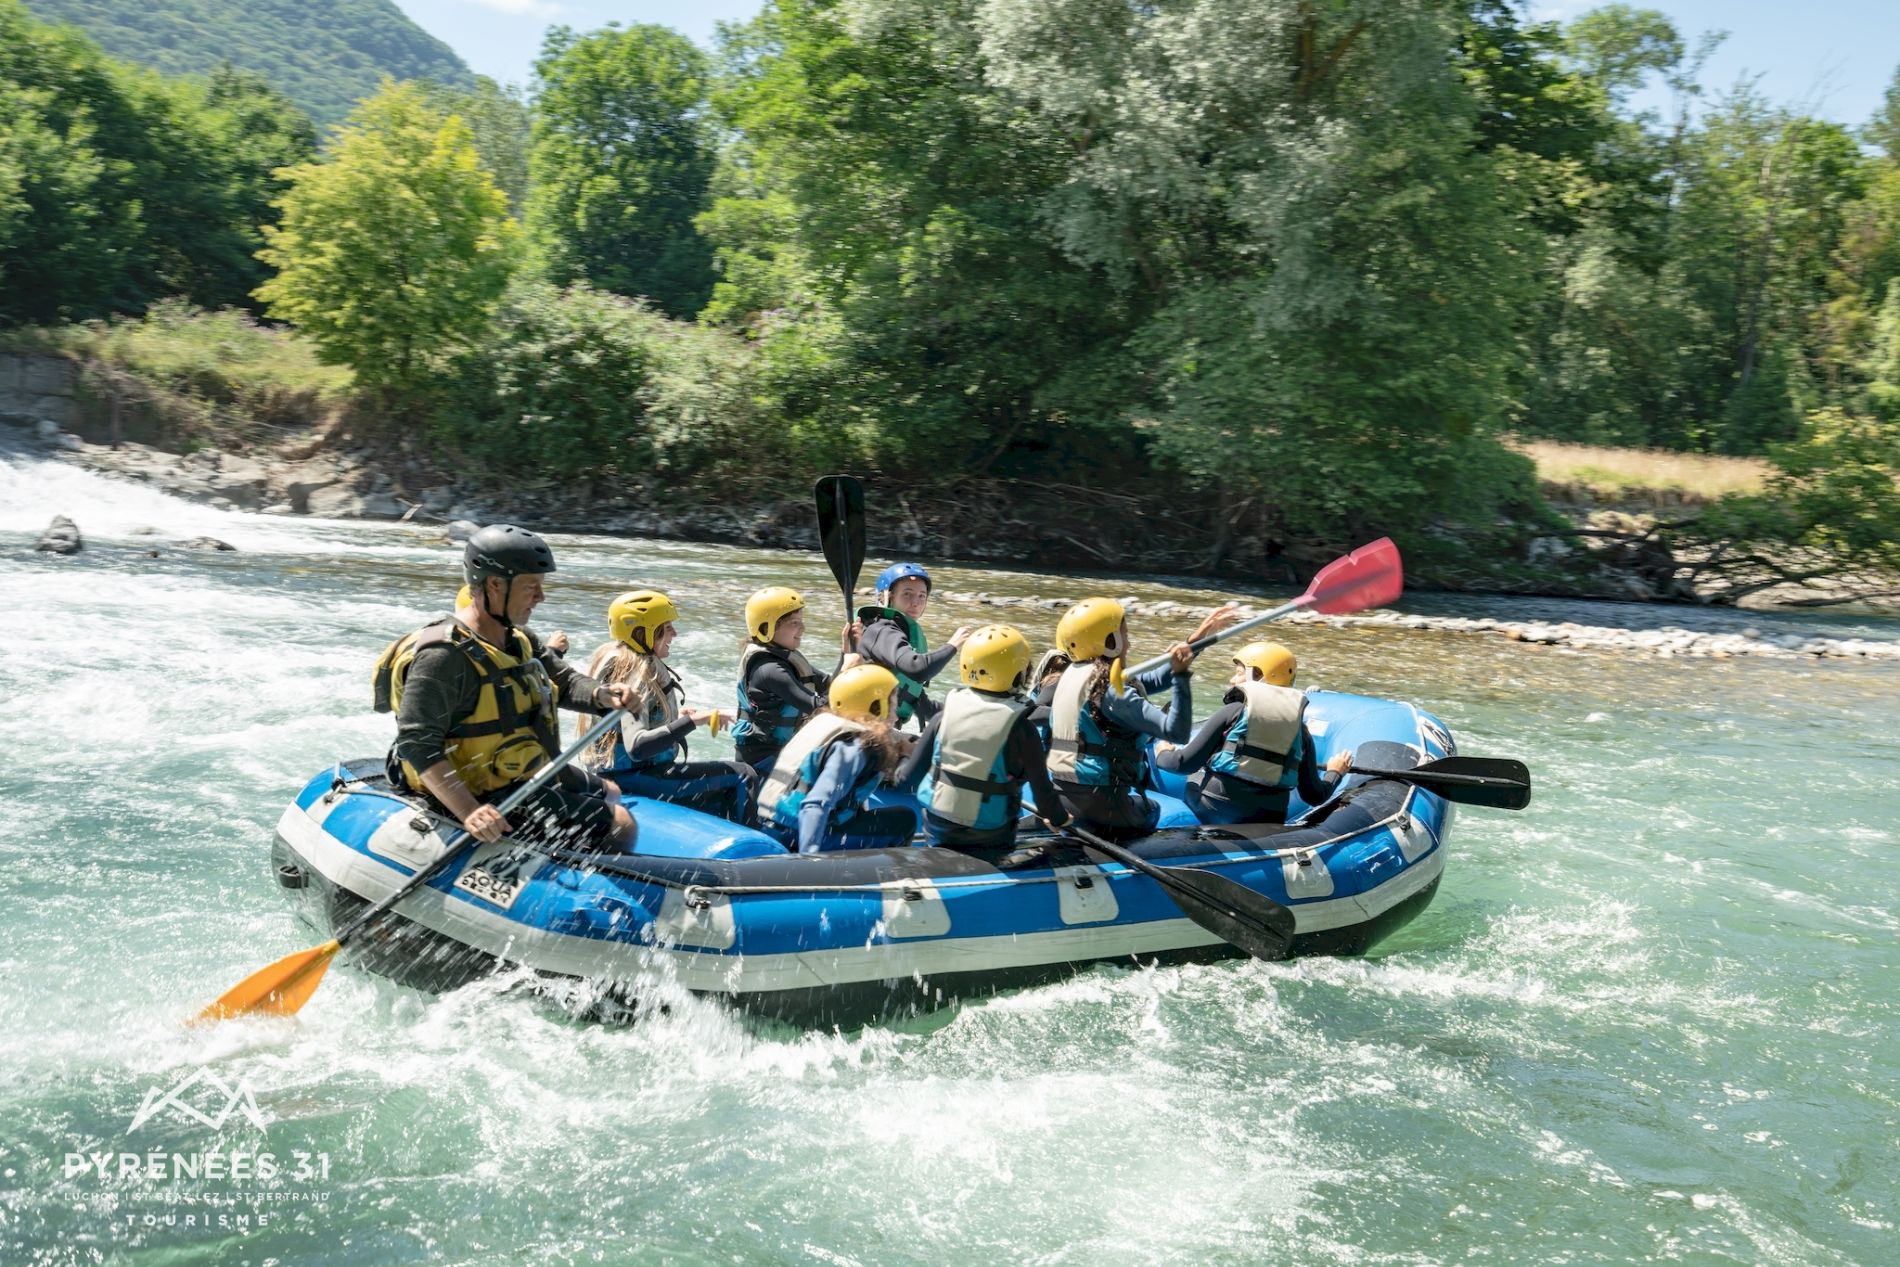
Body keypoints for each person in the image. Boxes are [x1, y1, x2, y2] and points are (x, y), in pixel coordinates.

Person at [373, 524, 638, 851]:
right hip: (476, 793)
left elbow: (565, 682)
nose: (541, 597)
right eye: (531, 586)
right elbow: (416, 741)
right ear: (495, 584)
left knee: (612, 792)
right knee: (623, 825)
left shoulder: (518, 639)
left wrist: (602, 694)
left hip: (514, 777)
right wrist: (469, 811)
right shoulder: (443, 655)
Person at [1039, 597, 1237, 839]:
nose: (1129, 644)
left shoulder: (1074, 676)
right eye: (1125, 635)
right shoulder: (1112, 692)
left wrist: (1195, 641)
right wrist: (1181, 676)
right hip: (1105, 808)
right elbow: (1176, 731)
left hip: (1063, 798)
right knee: (1153, 809)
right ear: (1110, 642)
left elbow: (1154, 679)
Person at [579, 589, 759, 824]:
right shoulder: (635, 672)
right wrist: (694, 721)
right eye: (666, 627)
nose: (674, 633)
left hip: (619, 773)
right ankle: (756, 851)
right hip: (634, 777)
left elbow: (626, 724)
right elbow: (637, 747)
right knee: (743, 775)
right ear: (643, 633)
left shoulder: (620, 658)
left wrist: (678, 717)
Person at [902, 624, 1069, 850]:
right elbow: (1043, 795)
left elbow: (909, 777)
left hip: (937, 825)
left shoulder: (944, 715)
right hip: (991, 834)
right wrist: (1059, 819)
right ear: (1019, 673)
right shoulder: (1022, 728)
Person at [1153, 641, 1352, 825]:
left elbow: (1181, 764)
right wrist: (1335, 772)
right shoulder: (1301, 732)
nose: (1232, 679)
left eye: (1239, 673)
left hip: (1213, 808)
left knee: (1198, 772)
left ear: (1256, 676)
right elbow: (1315, 796)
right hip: (1268, 818)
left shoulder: (1232, 712)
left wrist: (1163, 750)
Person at [756, 665, 922, 853]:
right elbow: (816, 803)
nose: (894, 716)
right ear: (876, 707)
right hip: (800, 835)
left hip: (773, 826)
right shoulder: (855, 745)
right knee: (904, 819)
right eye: (892, 706)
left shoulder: (826, 724)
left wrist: (903, 754)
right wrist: (809, 858)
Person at [730, 586, 860, 769]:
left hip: (783, 752)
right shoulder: (770, 670)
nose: (803, 628)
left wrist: (845, 652)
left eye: (801, 621)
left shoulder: (785, 659)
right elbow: (821, 708)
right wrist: (847, 665)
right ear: (767, 628)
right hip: (762, 761)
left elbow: (829, 685)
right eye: (794, 623)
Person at [855, 562, 973, 726]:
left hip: (883, 728)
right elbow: (917, 668)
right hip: (863, 727)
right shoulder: (882, 630)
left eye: (921, 596)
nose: (915, 602)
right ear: (885, 597)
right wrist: (952, 646)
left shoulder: (902, 635)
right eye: (907, 594)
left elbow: (926, 708)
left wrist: (969, 712)